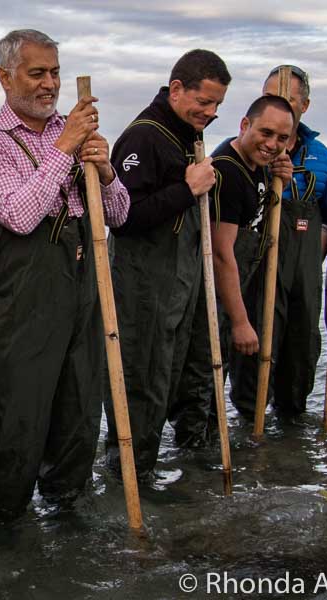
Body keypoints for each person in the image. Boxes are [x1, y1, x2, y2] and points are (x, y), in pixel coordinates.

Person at [0, 29, 130, 517]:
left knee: (80, 411)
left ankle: (68, 511)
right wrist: (64, 148)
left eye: (54, 72)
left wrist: (106, 171)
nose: (49, 84)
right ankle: (7, 524)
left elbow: (118, 215)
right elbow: (18, 214)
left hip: (83, 292)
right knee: (22, 419)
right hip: (23, 299)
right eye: (37, 73)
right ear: (5, 77)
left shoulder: (82, 137)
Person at [105, 49, 229, 477]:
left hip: (176, 285)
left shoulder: (184, 132)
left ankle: (151, 473)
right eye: (204, 102)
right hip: (142, 288)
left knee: (165, 384)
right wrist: (187, 188)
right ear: (176, 89)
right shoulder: (144, 137)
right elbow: (123, 218)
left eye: (217, 106)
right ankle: (127, 480)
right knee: (140, 385)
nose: (211, 113)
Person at [228, 65, 327, 417]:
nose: (281, 105)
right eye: (271, 96)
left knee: (301, 349)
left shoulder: (321, 154)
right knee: (257, 348)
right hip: (261, 268)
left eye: (289, 99)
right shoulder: (249, 150)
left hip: (304, 270)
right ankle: (250, 426)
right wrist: (270, 178)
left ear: (306, 105)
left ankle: (294, 435)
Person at [208, 97, 294, 380]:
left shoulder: (259, 164)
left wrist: (281, 179)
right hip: (213, 297)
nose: (272, 144)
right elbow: (221, 253)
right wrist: (241, 321)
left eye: (282, 138)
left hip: (239, 285)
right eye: (265, 133)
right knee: (206, 377)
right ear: (245, 125)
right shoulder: (227, 171)